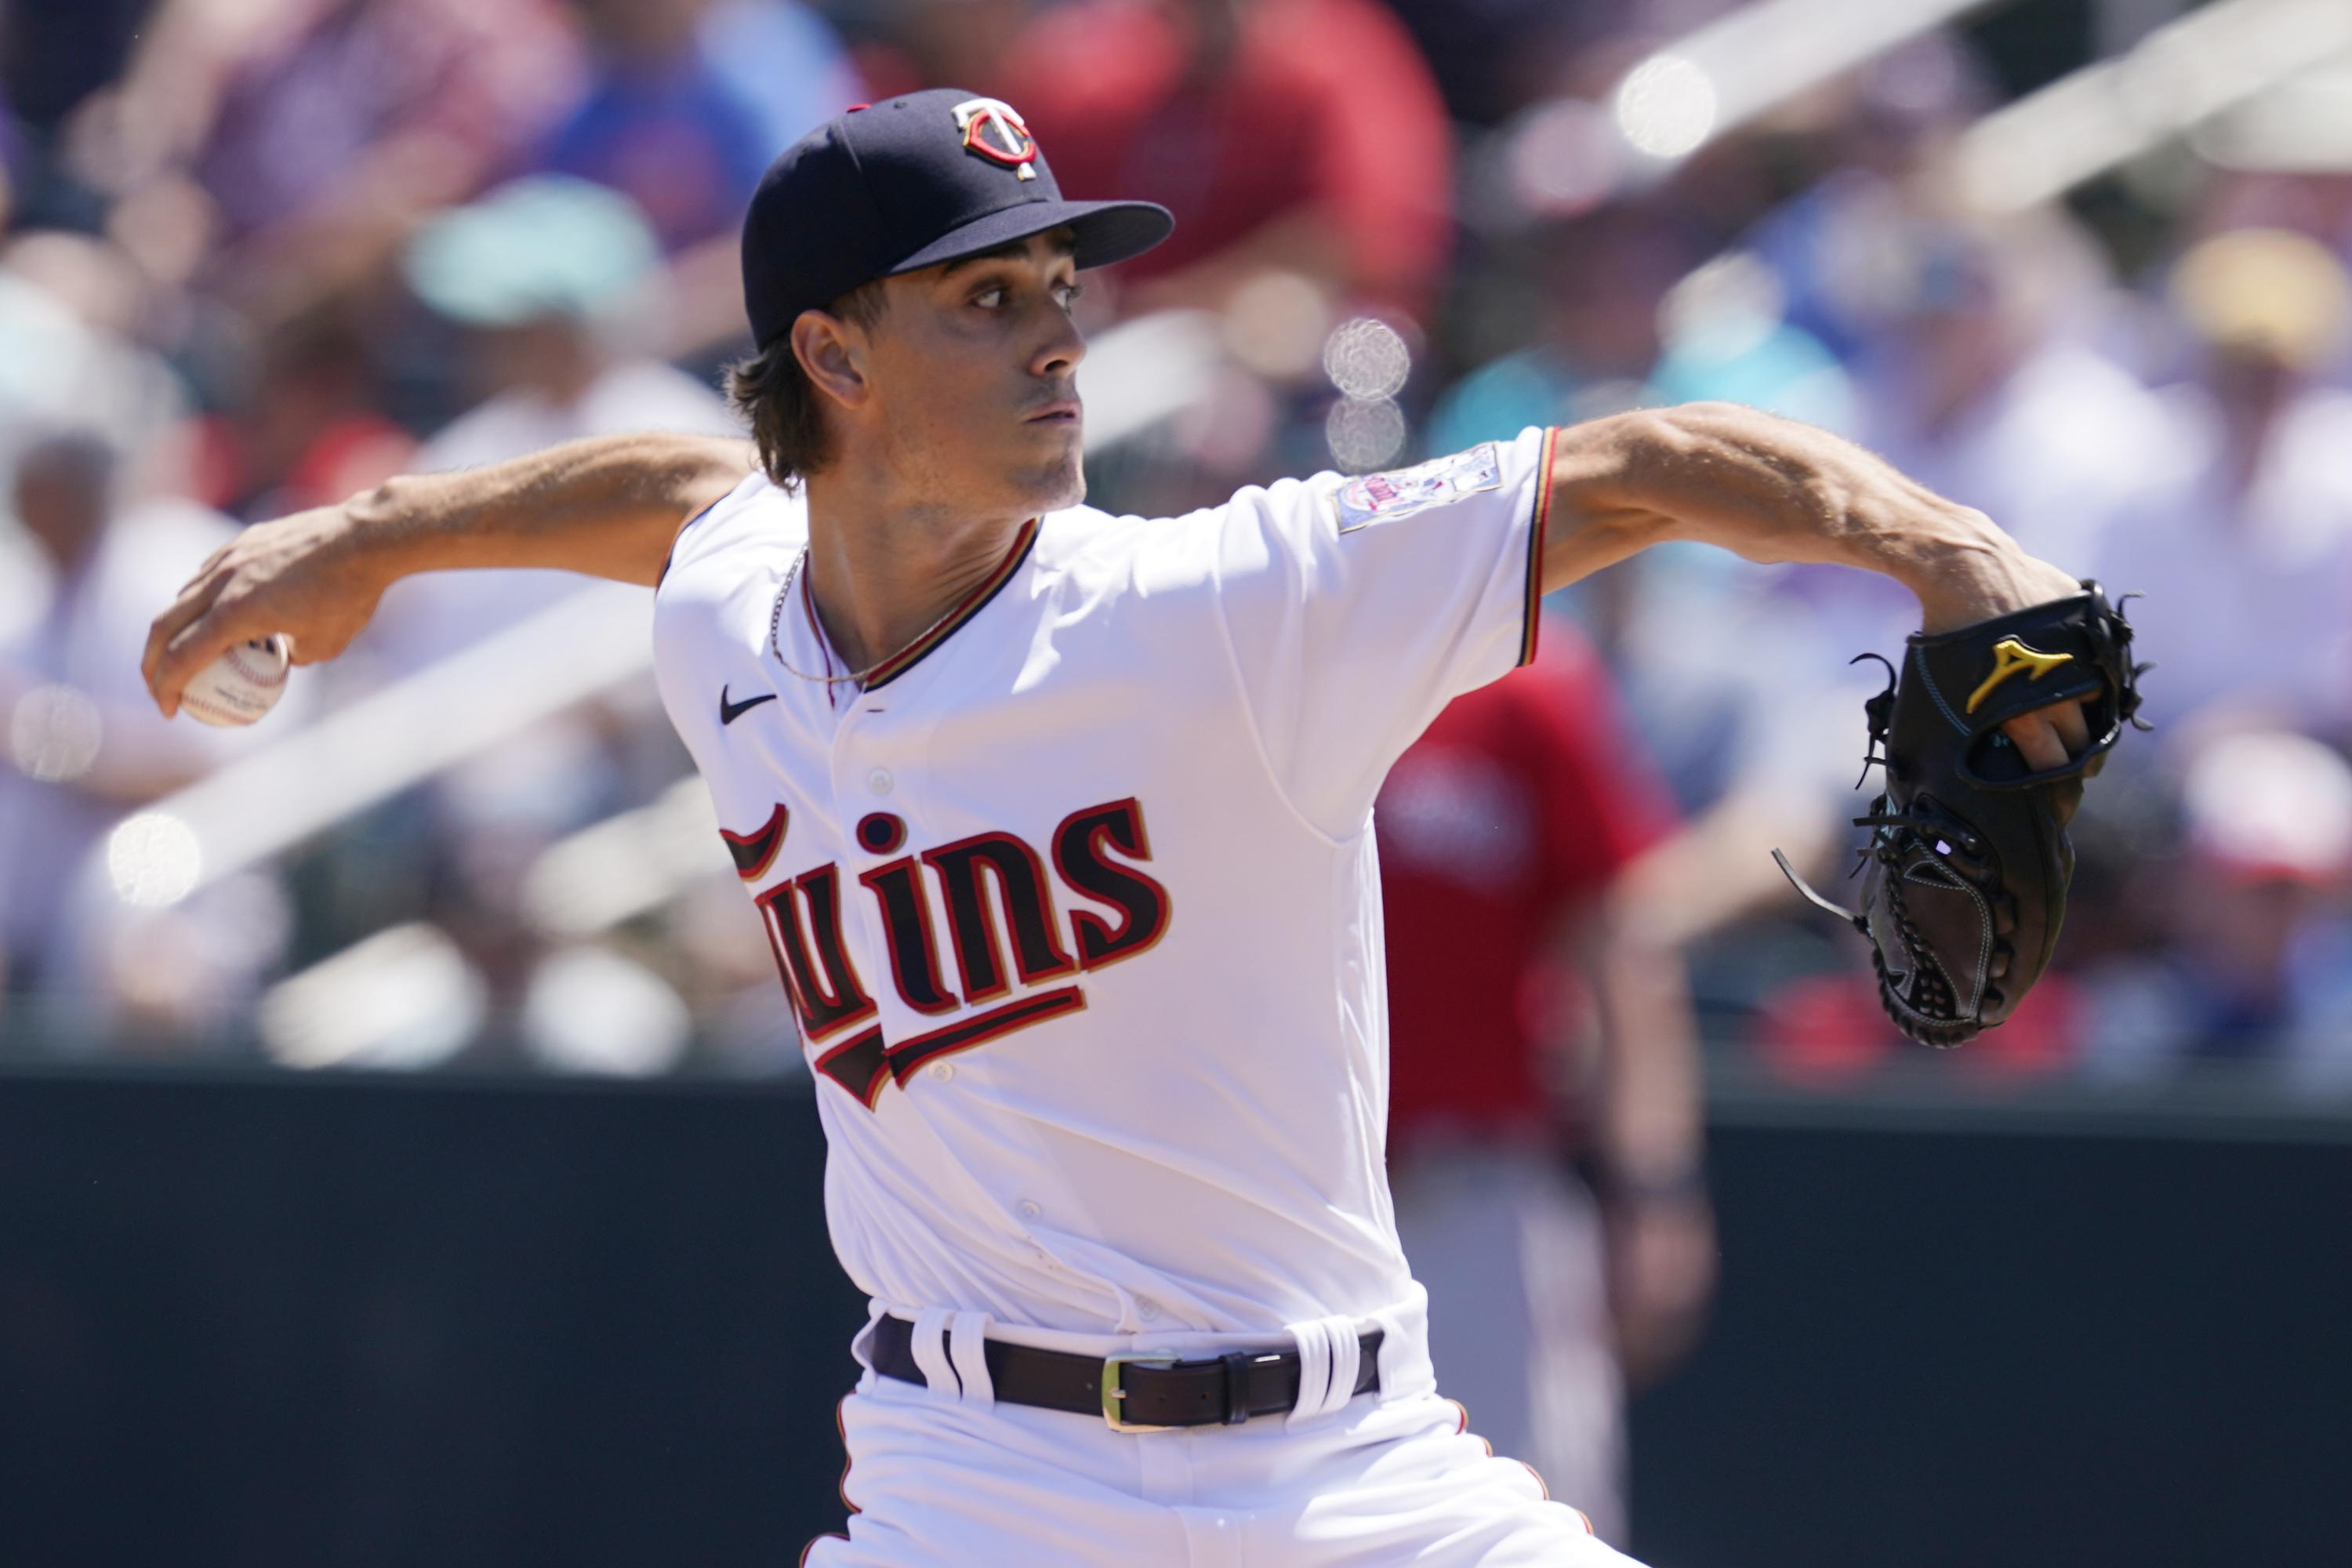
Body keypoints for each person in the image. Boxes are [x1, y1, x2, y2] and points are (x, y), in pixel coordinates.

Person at [144, 89, 2096, 1566]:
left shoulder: (1220, 605)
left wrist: (1958, 558)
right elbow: (676, 490)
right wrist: (365, 537)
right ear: (828, 359)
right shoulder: (735, 603)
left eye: (1061, 291)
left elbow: (1649, 467)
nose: (1059, 338)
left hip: (1344, 1469)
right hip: (970, 1475)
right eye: (987, 301)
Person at [1379, 624, 1710, 1544]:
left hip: (1474, 1184)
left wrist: (1654, 1186)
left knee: (1530, 1520)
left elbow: (1620, 948)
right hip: (1289, 1202)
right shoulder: (1248, 668)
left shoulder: (1520, 683)